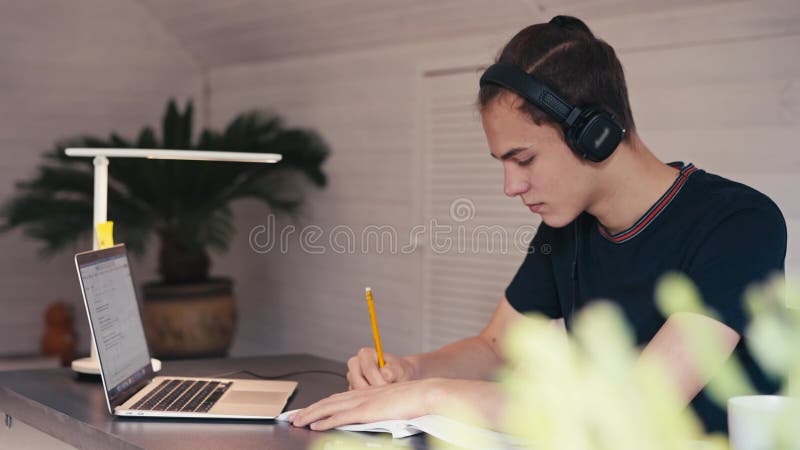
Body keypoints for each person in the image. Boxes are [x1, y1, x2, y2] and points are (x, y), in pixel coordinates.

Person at [290, 15, 786, 433]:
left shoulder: (740, 224)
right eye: (503, 163)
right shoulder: (567, 223)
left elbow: (634, 405)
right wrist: (408, 370)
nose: (511, 186)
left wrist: (430, 395)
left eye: (523, 159)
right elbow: (495, 346)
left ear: (596, 134)